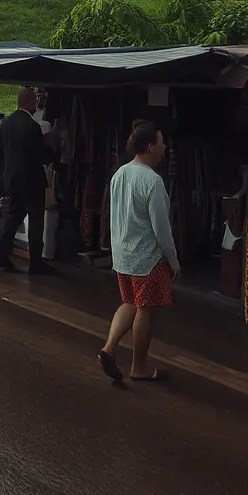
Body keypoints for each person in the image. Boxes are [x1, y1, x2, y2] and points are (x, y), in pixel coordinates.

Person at [97, 120, 179, 382]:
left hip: (123, 255)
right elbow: (162, 229)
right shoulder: (152, 181)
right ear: (151, 146)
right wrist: (173, 260)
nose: (165, 147)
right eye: (162, 142)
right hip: (147, 257)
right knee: (145, 309)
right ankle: (139, 367)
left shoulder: (119, 174)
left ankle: (109, 348)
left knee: (129, 302)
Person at [0, 87, 54, 274]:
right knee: (36, 220)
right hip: (32, 181)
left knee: (13, 216)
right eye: (34, 101)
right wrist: (51, 148)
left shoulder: (6, 123)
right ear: (29, 102)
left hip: (13, 180)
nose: (36, 104)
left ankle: (1, 255)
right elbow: (42, 157)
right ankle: (36, 263)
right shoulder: (32, 127)